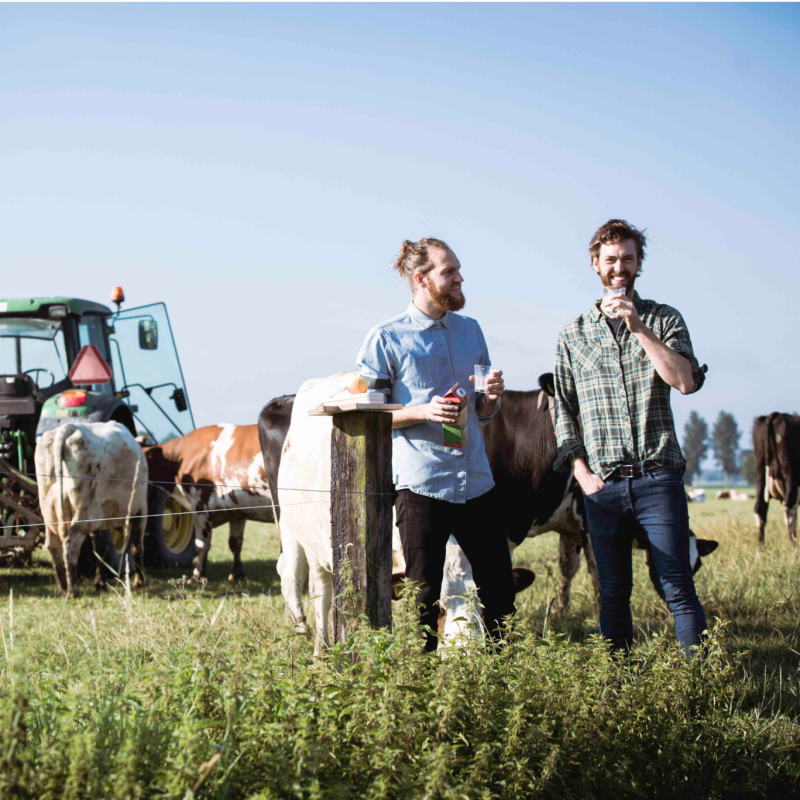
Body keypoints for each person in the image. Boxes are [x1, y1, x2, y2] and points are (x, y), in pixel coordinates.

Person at [553, 219, 708, 654]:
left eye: (627, 258)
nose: (619, 267)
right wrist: (581, 472)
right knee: (613, 594)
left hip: (658, 478)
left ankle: (698, 688)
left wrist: (640, 328)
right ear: (594, 264)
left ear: (639, 263)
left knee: (677, 586)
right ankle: (619, 690)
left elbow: (684, 381)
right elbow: (564, 410)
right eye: (610, 260)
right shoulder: (572, 335)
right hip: (602, 486)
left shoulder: (665, 318)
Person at [357, 237, 515, 650]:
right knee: (422, 601)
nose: (460, 278)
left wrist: (492, 396)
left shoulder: (472, 330)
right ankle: (420, 695)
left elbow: (482, 408)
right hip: (422, 486)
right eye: (449, 272)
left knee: (501, 593)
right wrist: (422, 412)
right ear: (421, 279)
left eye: (458, 269)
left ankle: (503, 684)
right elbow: (369, 417)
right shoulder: (385, 338)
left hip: (477, 481)